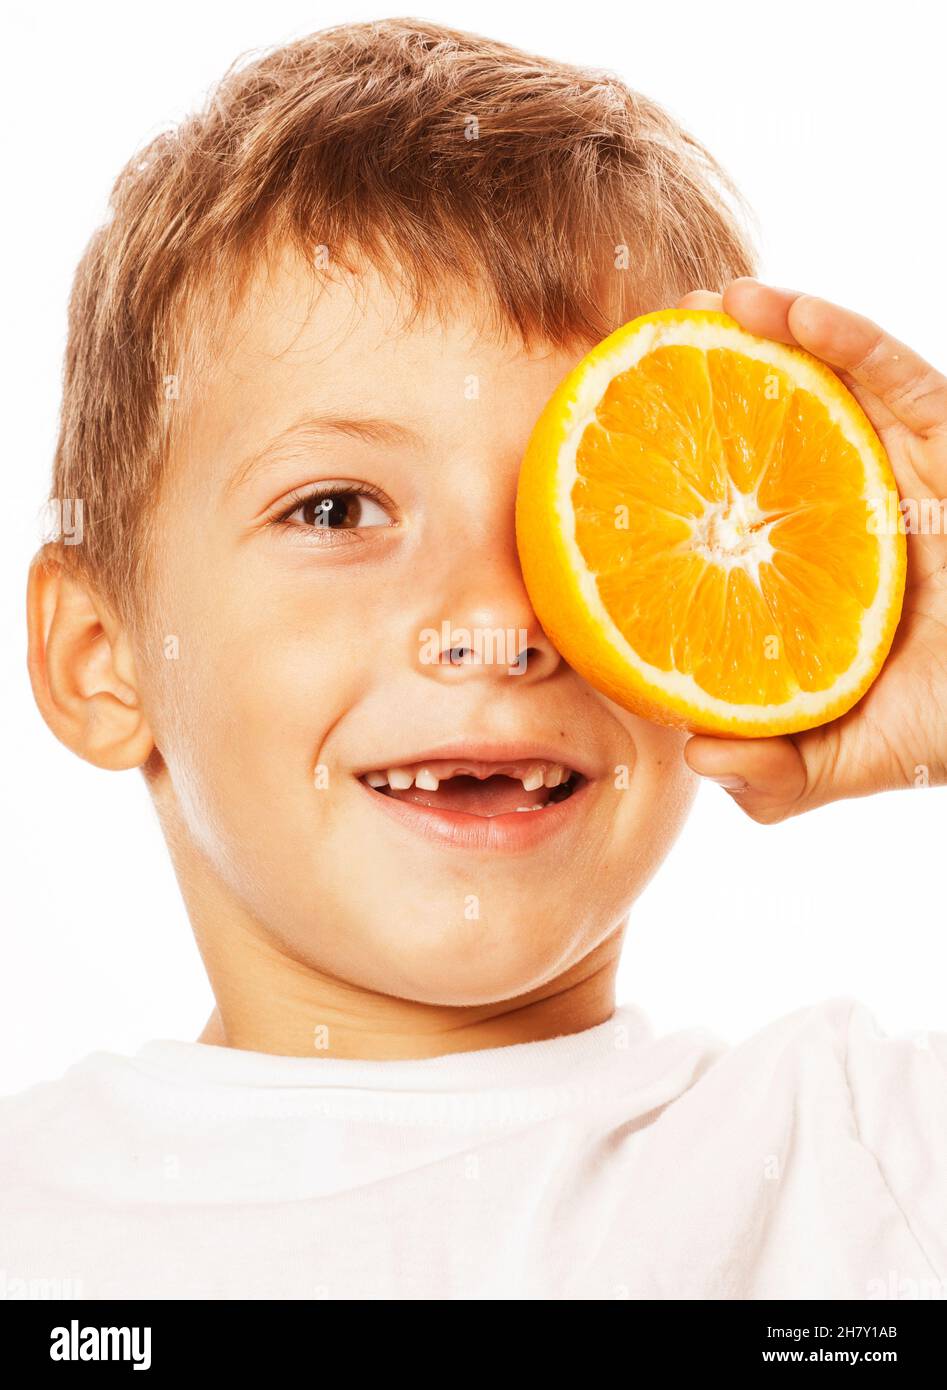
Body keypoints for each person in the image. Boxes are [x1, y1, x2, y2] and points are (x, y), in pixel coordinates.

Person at [6, 17, 946, 1300]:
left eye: (605, 529)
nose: (497, 622)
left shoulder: (868, 1167)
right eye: (336, 510)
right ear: (101, 659)